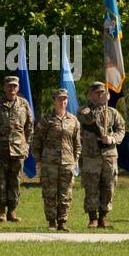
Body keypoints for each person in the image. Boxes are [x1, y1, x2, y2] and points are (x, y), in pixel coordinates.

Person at [0, 75, 34, 222]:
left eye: (14, 86)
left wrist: (26, 145)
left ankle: (12, 211)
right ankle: (2, 212)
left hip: (18, 150)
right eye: (9, 86)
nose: (12, 88)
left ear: (18, 88)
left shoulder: (24, 104)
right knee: (1, 180)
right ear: (4, 87)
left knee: (15, 180)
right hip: (0, 149)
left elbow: (29, 127)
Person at [77, 81, 127, 228]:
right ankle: (92, 218)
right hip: (91, 156)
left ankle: (103, 216)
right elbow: (88, 119)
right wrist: (100, 108)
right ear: (90, 94)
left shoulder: (113, 112)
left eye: (103, 92)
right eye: (97, 92)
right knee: (91, 187)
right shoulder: (83, 110)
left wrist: (112, 138)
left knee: (108, 186)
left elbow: (121, 130)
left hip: (109, 155)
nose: (101, 95)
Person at [31, 88, 81, 231]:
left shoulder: (73, 120)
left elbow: (77, 142)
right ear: (54, 101)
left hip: (67, 162)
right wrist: (38, 160)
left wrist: (76, 159)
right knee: (50, 193)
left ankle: (62, 222)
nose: (62, 102)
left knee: (66, 193)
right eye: (59, 99)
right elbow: (37, 141)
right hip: (49, 163)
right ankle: (52, 222)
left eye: (64, 99)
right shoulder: (47, 119)